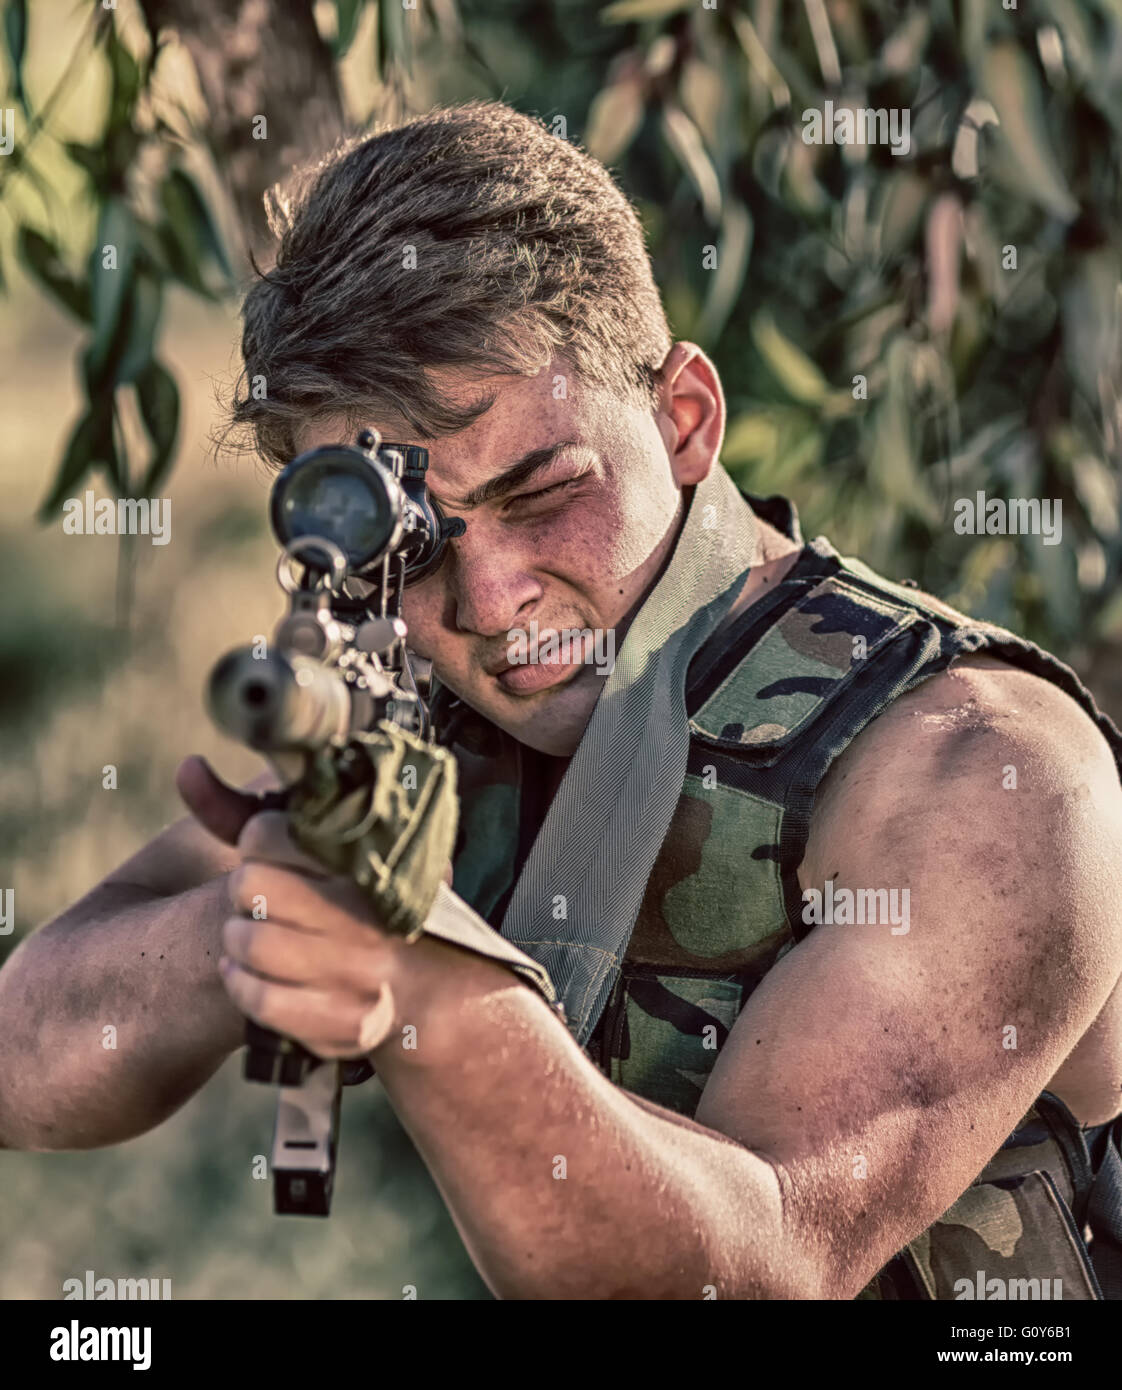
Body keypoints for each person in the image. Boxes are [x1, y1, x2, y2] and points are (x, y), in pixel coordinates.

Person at [2, 101, 1121, 1301]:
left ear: (684, 419)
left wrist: (424, 969)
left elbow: (764, 1267)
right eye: (421, 547)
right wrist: (251, 929)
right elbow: (27, 1053)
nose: (490, 597)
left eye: (543, 494)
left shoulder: (978, 771)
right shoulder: (432, 733)